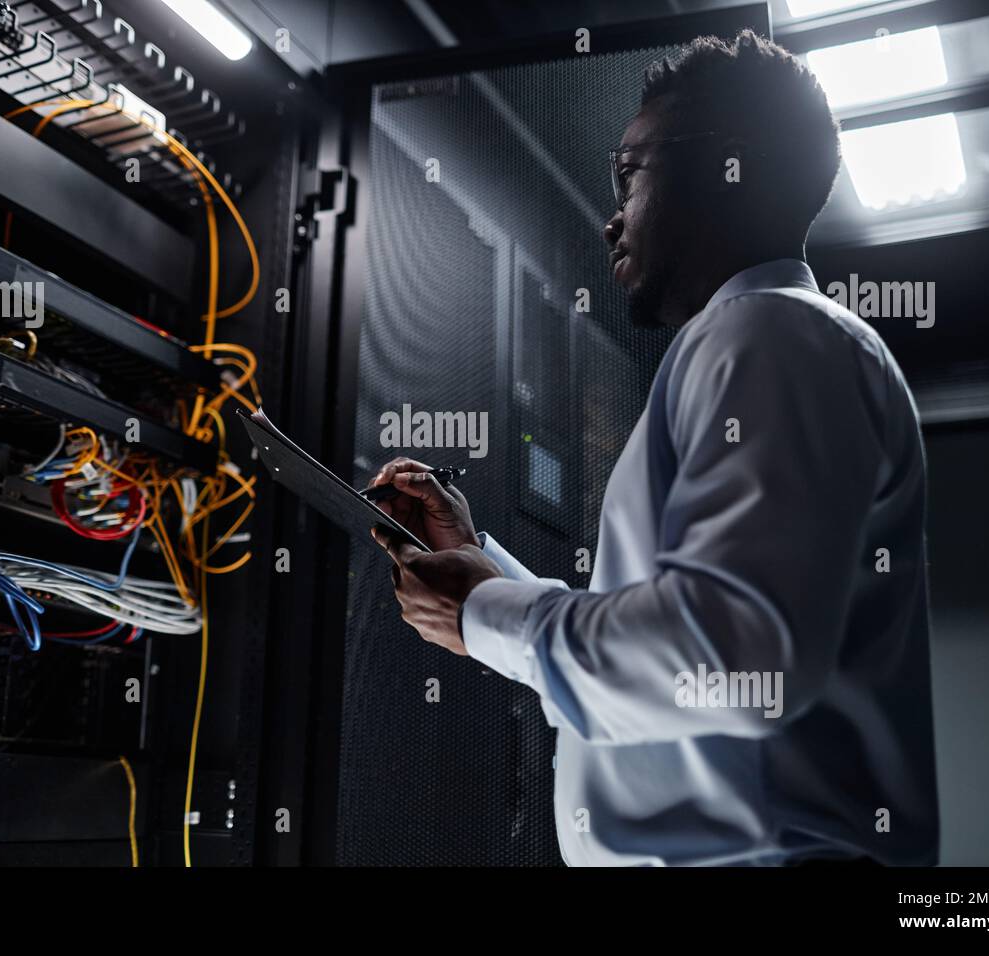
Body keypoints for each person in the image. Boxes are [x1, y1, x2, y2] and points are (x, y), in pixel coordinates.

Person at [369, 29, 939, 866]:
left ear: (729, 165)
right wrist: (482, 571)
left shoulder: (771, 334)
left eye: (629, 173)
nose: (611, 217)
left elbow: (742, 658)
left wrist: (485, 613)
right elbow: (676, 657)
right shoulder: (758, 344)